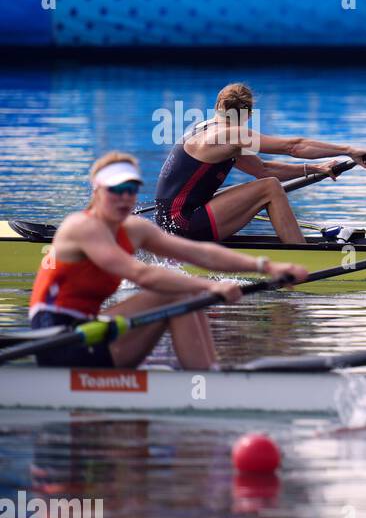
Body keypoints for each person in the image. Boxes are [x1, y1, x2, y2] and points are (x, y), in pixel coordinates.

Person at [30, 152, 308, 369]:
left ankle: (208, 375)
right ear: (97, 191)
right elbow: (141, 274)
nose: (125, 197)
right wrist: (210, 286)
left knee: (184, 291)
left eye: (131, 189)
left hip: (91, 336)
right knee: (180, 292)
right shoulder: (82, 227)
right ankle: (206, 379)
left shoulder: (134, 230)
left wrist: (266, 266)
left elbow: (200, 253)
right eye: (116, 189)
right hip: (57, 341)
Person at [153, 82, 366, 243]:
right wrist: (349, 150)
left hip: (173, 221)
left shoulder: (206, 130)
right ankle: (301, 257)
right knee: (270, 188)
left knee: (267, 183)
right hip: (182, 223)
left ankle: (291, 246)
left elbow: (263, 169)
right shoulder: (229, 135)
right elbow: (293, 147)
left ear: (217, 106)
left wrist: (318, 168)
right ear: (248, 115)